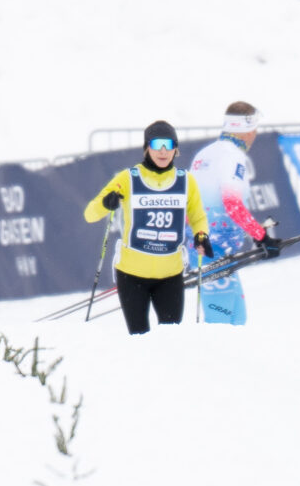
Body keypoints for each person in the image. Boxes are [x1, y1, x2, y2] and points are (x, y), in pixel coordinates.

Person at [83, 120, 209, 334]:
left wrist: (201, 235)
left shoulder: (186, 180)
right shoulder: (128, 178)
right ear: (146, 147)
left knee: (171, 340)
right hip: (132, 276)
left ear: (175, 149)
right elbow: (90, 214)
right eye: (157, 144)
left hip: (170, 275)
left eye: (168, 145)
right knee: (139, 338)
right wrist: (106, 203)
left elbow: (198, 217)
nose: (162, 151)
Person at [188, 100, 282, 325]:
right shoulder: (233, 157)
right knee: (222, 327)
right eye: (255, 129)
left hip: (212, 249)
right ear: (247, 130)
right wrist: (261, 237)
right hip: (213, 251)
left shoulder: (205, 153)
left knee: (237, 322)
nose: (256, 134)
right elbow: (232, 204)